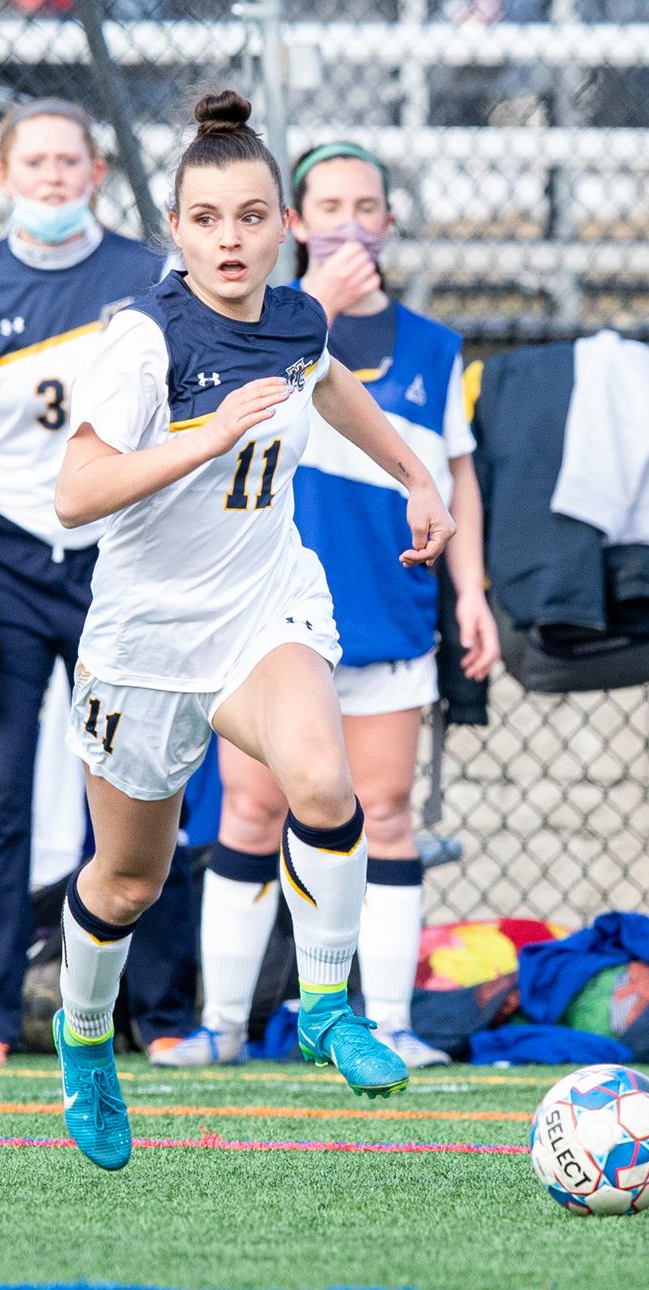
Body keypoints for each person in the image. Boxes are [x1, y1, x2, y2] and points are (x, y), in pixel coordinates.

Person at [49, 91, 456, 1171]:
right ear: (174, 233)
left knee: (324, 782)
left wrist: (414, 475)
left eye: (250, 217)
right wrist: (199, 438)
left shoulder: (295, 317)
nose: (230, 238)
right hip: (144, 639)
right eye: (207, 219)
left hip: (261, 604)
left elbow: (328, 390)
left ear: (285, 227)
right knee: (125, 881)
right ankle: (84, 1040)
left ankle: (326, 1007)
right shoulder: (144, 338)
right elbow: (76, 493)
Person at [156, 141, 500, 1072]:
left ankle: (386, 1020)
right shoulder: (261, 324)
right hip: (270, 614)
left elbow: (454, 477)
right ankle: (221, 1024)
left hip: (387, 610)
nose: (351, 220)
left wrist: (472, 593)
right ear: (295, 223)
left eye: (368, 205)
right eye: (329, 204)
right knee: (252, 813)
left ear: (390, 221)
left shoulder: (434, 347)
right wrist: (328, 304)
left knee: (383, 809)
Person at [0, 98, 164, 1068]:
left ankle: (161, 1012)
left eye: (70, 161)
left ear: (96, 172)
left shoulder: (147, 278)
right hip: (5, 562)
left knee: (144, 786)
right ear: (2, 177)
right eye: (35, 162)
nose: (54, 177)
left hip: (116, 556)